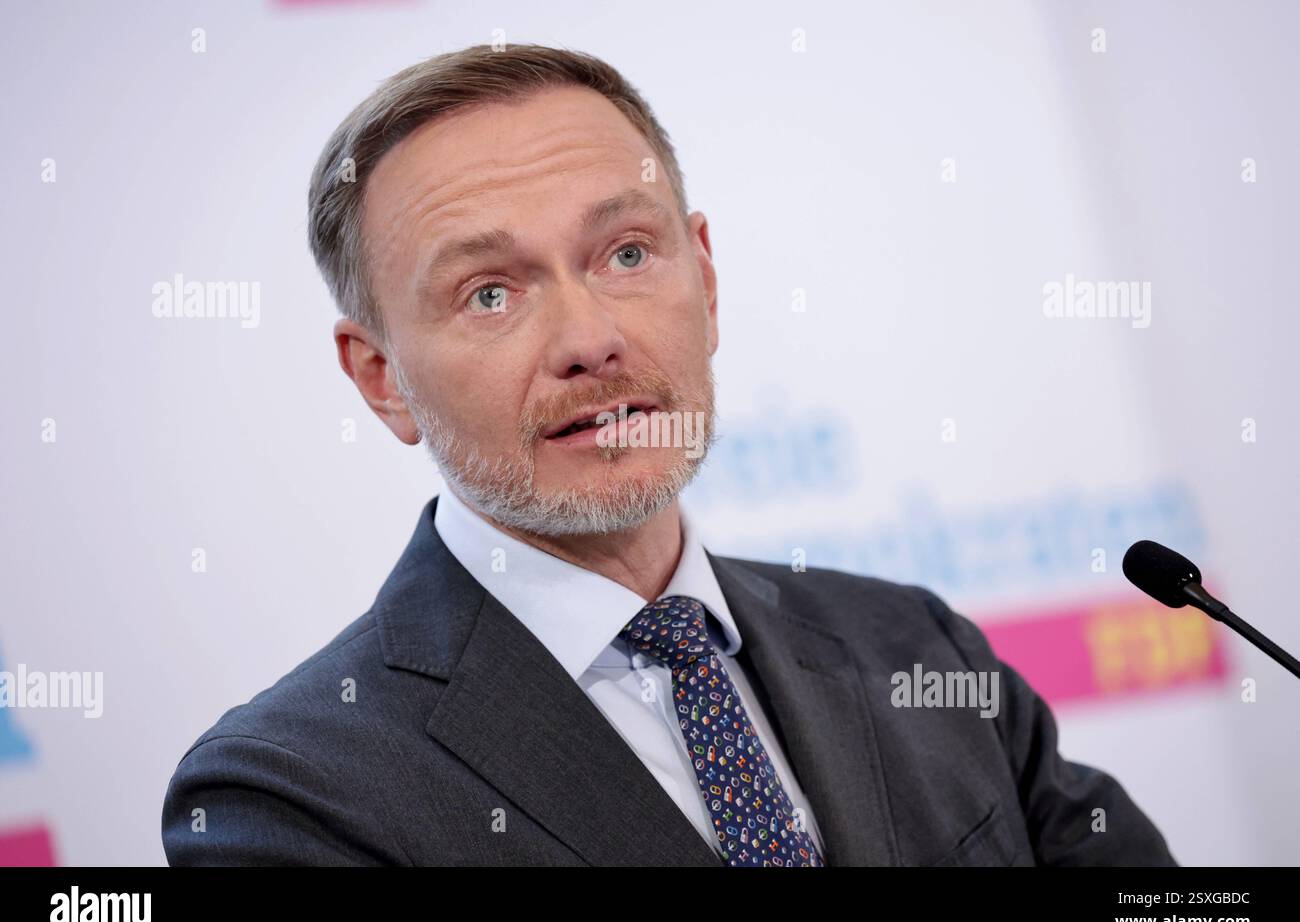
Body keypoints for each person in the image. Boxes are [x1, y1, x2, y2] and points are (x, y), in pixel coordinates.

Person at [161, 43, 1176, 866]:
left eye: (627, 254)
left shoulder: (912, 647)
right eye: (490, 292)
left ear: (708, 280)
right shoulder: (288, 795)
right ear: (380, 376)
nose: (588, 337)